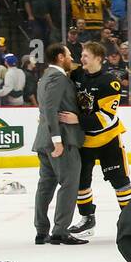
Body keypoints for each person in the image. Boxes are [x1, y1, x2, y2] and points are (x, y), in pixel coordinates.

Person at [68, 41, 131, 235]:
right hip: (84, 141)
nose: (81, 59)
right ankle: (87, 219)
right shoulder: (78, 74)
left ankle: (130, 220)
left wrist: (76, 119)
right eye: (81, 55)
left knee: (120, 181)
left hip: (108, 140)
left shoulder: (110, 82)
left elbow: (105, 119)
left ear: (98, 58)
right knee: (81, 181)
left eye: (85, 56)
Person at [33, 43, 86, 245]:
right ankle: (60, 231)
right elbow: (49, 108)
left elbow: (46, 109)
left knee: (45, 185)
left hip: (44, 140)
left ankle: (41, 230)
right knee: (69, 183)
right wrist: (58, 141)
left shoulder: (44, 77)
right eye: (69, 55)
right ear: (60, 57)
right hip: (61, 140)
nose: (71, 57)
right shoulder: (58, 78)